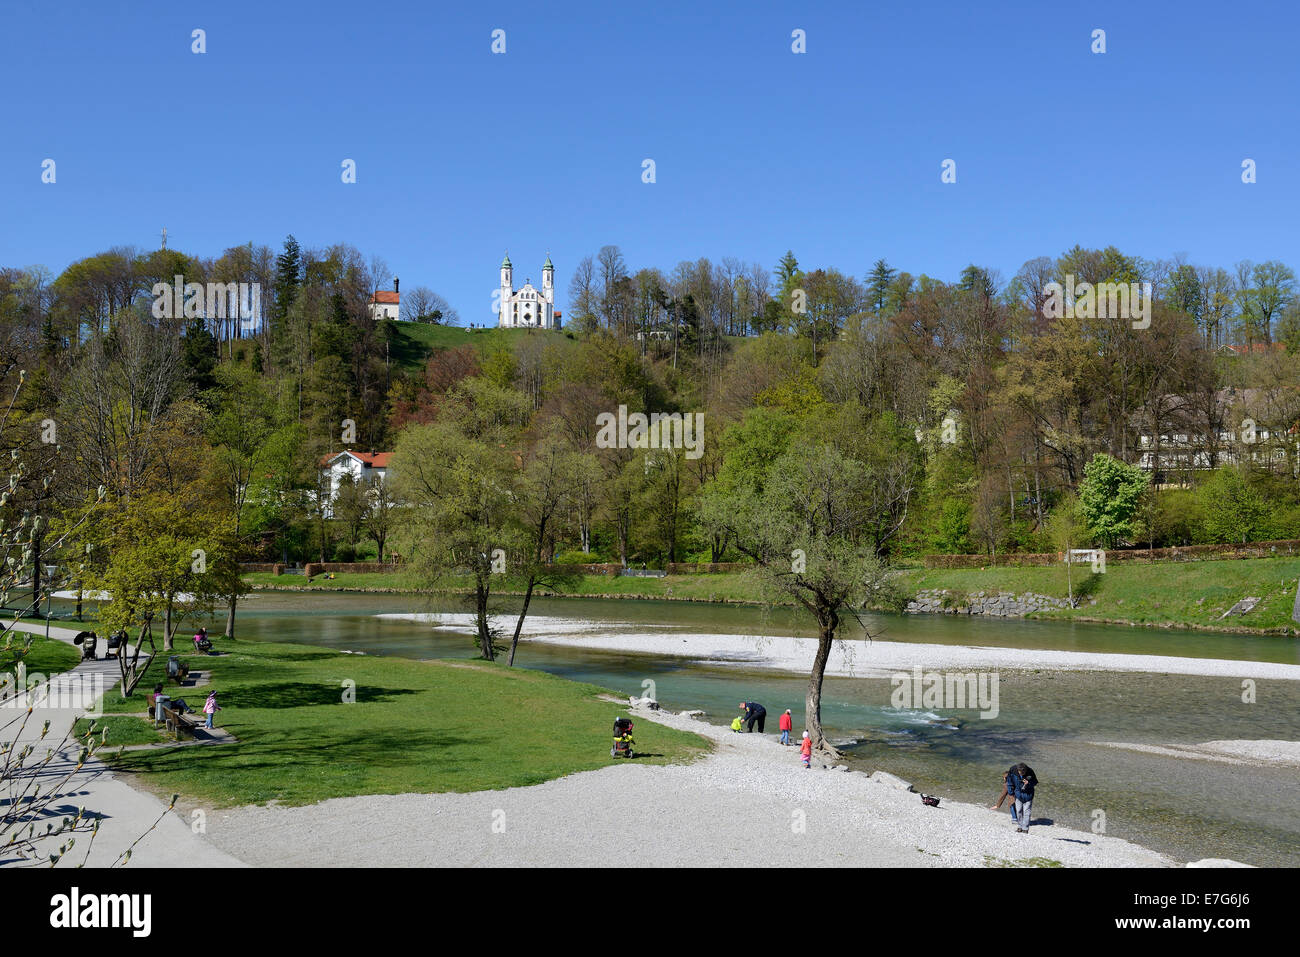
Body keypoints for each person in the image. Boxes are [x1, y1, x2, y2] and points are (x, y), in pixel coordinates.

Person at [1012, 762, 1038, 832]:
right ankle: (1020, 826)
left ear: (1025, 770)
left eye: (1022, 773)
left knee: (1027, 812)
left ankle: (1025, 828)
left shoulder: (1031, 772)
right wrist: (1011, 792)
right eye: (1019, 772)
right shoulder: (1014, 772)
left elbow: (1035, 782)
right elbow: (1010, 782)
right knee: (1018, 810)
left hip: (1028, 796)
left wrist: (1028, 783)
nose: (1020, 774)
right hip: (1018, 795)